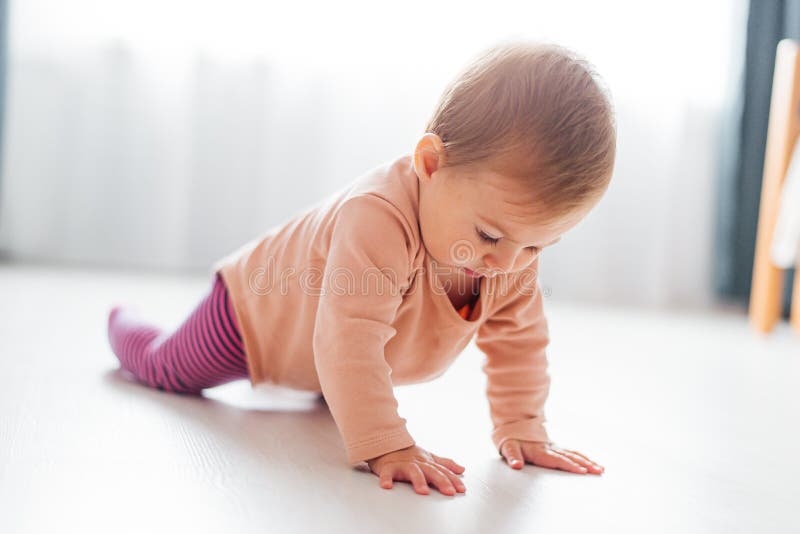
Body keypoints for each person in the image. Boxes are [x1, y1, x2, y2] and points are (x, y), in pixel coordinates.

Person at [108, 39, 616, 497]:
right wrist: (387, 445)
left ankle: (331, 393)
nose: (507, 262)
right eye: (490, 235)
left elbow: (519, 344)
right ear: (430, 164)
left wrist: (523, 427)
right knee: (168, 371)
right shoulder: (377, 216)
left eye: (537, 247)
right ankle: (124, 325)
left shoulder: (507, 255)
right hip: (252, 318)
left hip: (322, 359)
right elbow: (347, 338)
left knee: (344, 384)